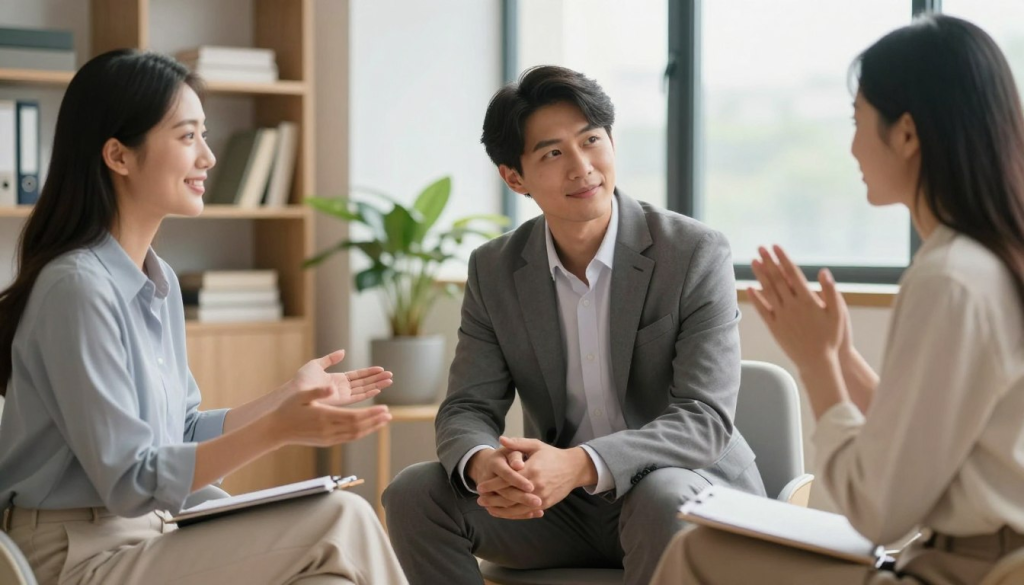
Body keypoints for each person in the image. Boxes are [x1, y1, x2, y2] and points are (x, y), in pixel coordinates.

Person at [0, 49, 408, 585]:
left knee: (328, 576)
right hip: (71, 557)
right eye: (187, 136)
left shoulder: (157, 281)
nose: (209, 157)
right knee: (342, 519)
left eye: (204, 135)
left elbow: (182, 429)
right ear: (119, 156)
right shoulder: (76, 288)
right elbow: (131, 480)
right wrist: (277, 431)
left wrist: (286, 399)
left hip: (147, 536)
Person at [651, 14, 1024, 585]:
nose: (851, 145)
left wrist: (816, 364)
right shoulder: (989, 260)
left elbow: (877, 511)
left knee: (695, 553)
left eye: (857, 120)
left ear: (905, 133)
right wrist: (842, 355)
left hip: (970, 570)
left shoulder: (948, 278)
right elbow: (925, 434)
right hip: (978, 556)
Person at [382, 65, 765, 585]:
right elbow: (468, 407)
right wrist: (483, 464)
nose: (582, 167)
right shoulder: (495, 269)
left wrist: (581, 463)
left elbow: (705, 420)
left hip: (684, 497)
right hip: (561, 511)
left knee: (658, 495)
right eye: (553, 153)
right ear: (514, 177)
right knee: (414, 493)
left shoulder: (693, 252)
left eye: (592, 141)